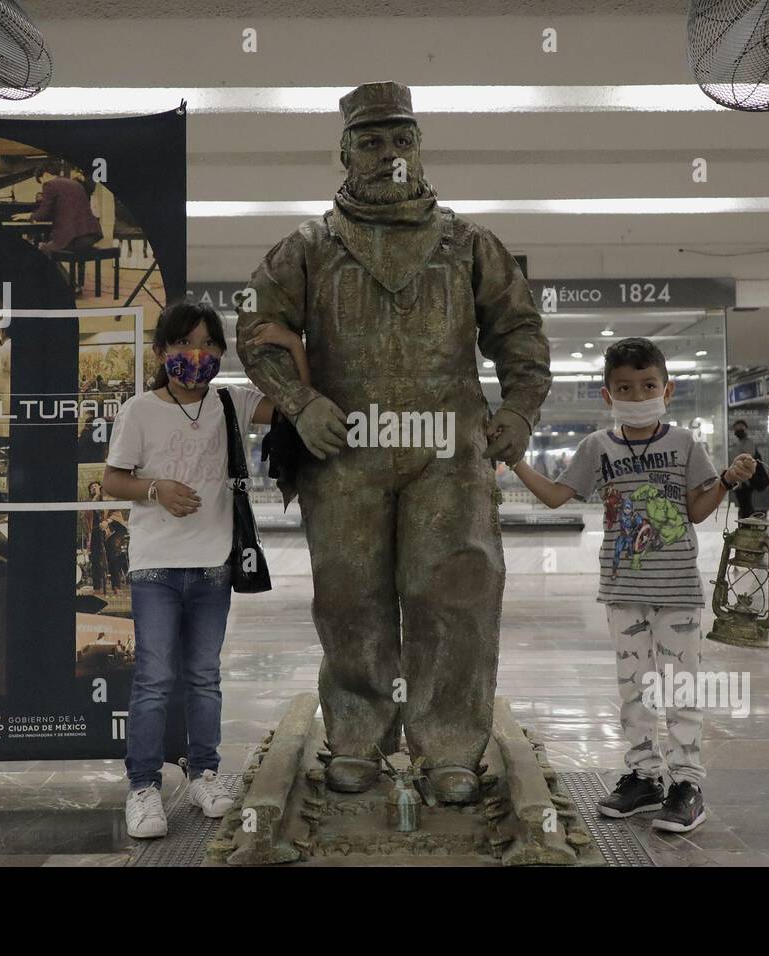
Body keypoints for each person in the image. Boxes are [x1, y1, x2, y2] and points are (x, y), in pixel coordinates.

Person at [236, 81, 552, 803]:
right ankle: (356, 736)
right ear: (345, 152)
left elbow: (520, 335)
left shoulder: (469, 244)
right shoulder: (307, 248)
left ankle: (449, 744)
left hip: (450, 452)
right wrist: (299, 401)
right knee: (351, 598)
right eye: (372, 141)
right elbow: (258, 327)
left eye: (401, 139)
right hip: (344, 451)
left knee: (455, 596)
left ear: (421, 148)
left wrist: (521, 411)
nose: (389, 154)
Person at [511, 337, 755, 834]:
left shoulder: (685, 442)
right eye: (625, 387)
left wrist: (727, 481)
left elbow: (693, 512)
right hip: (623, 590)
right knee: (635, 690)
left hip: (678, 591)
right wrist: (515, 461)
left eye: (648, 385)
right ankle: (643, 777)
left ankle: (687, 783)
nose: (638, 393)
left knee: (680, 686)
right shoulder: (597, 447)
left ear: (668, 387)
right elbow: (558, 496)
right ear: (607, 395)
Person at [103, 300, 308, 839]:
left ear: (220, 351)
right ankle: (143, 786)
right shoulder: (140, 410)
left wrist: (291, 347)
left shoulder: (230, 402)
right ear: (162, 352)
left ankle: (205, 773)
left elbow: (300, 405)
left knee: (204, 678)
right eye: (183, 344)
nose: (195, 354)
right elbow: (111, 480)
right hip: (156, 569)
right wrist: (156, 490)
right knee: (153, 679)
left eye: (206, 344)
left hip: (213, 566)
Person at [15, 162, 103, 259]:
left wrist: (28, 215)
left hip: (75, 238)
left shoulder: (50, 184)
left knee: (41, 249)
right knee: (48, 246)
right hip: (91, 235)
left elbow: (43, 214)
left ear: (45, 174)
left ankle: (52, 274)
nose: (43, 185)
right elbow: (64, 209)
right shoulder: (75, 183)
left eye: (41, 181)